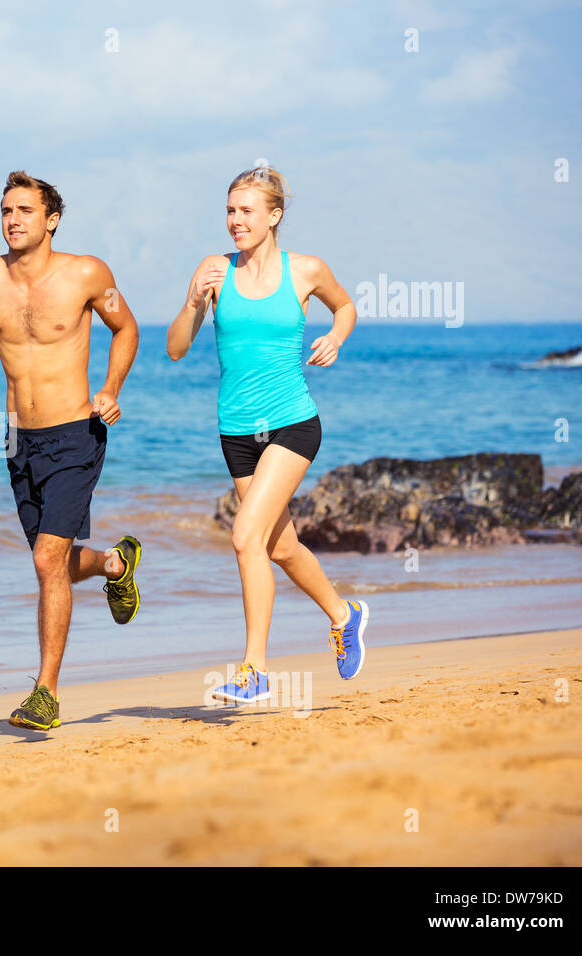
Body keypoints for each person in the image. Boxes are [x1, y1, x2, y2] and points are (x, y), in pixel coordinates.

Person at [166, 165, 369, 703]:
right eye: (230, 211)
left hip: (292, 422)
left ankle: (253, 670)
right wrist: (191, 302)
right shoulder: (214, 271)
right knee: (280, 546)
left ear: (274, 215)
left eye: (246, 211)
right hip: (236, 432)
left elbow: (345, 305)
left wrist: (336, 337)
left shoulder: (304, 270)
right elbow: (175, 348)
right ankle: (344, 614)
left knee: (244, 537)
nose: (235, 221)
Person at [0, 170, 141, 730]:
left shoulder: (86, 273)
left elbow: (127, 328)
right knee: (55, 560)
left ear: (51, 219)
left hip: (75, 434)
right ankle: (115, 564)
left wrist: (110, 388)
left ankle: (46, 693)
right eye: (5, 211)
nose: (12, 220)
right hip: (20, 439)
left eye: (23, 210)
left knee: (45, 560)